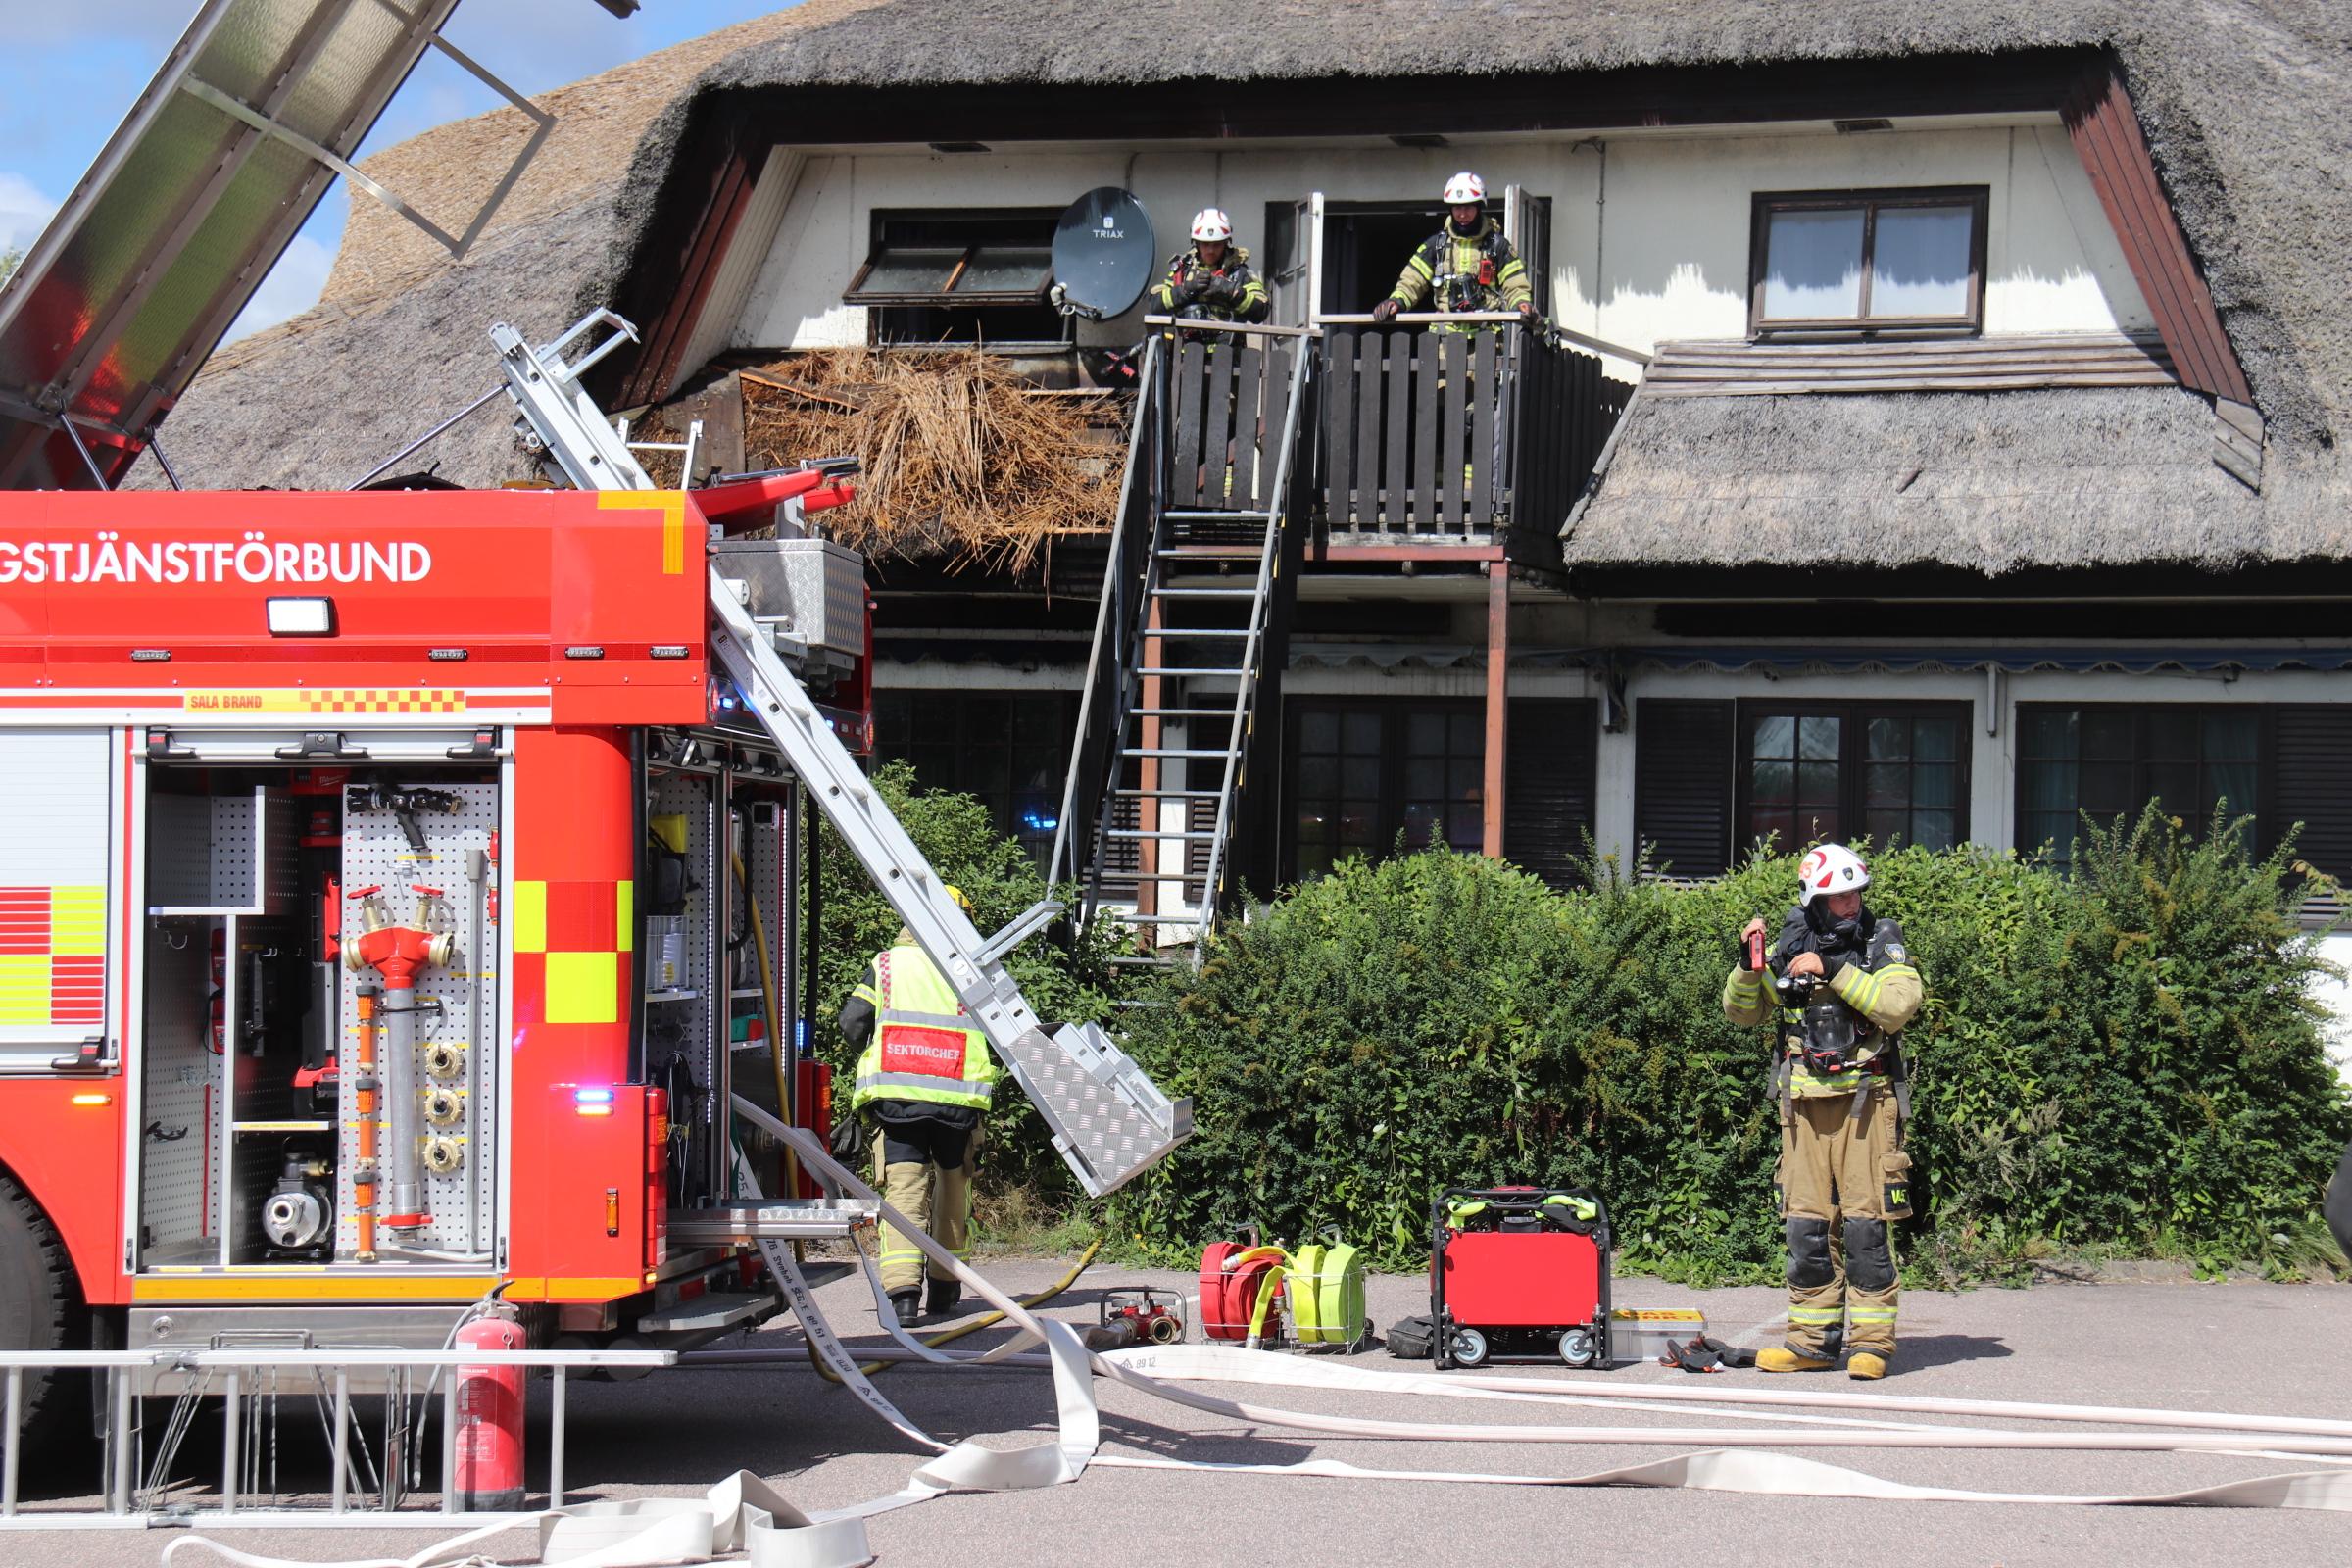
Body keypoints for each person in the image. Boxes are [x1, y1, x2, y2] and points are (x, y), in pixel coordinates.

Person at [1722, 844, 1924, 1380]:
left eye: (1856, 892)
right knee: (1806, 1228)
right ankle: (1810, 1343)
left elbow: (1898, 1006)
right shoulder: (1790, 945)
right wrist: (1750, 967)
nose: (1852, 903)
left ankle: (1871, 1345)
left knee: (1865, 1226)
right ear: (1815, 900)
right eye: (1839, 896)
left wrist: (1832, 968)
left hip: (1866, 1102)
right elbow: (1743, 1014)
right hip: (1802, 1107)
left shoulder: (1883, 941)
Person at [832, 885, 999, 1325]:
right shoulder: (972, 970)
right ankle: (945, 1289)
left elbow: (852, 1022)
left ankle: (903, 1295)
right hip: (957, 1103)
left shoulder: (887, 964)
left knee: (904, 1191)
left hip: (899, 1103)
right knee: (952, 1190)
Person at [1370, 172, 1537, 330]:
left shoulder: (1498, 245)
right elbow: (1411, 281)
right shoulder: (1436, 245)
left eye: (1468, 208)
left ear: (1479, 207)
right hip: (1444, 344)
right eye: (1457, 208)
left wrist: (1522, 303)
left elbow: (1516, 285)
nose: (1462, 215)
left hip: (1488, 341)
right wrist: (1396, 301)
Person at [1152, 208, 1269, 339]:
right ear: (1196, 243)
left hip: (1228, 355)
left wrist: (1230, 291)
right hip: (1186, 354)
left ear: (1226, 243)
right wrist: (1185, 290)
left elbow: (1261, 310)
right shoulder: (1183, 270)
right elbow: (1155, 305)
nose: (1211, 250)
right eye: (1205, 244)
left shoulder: (1238, 272)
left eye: (1217, 244)